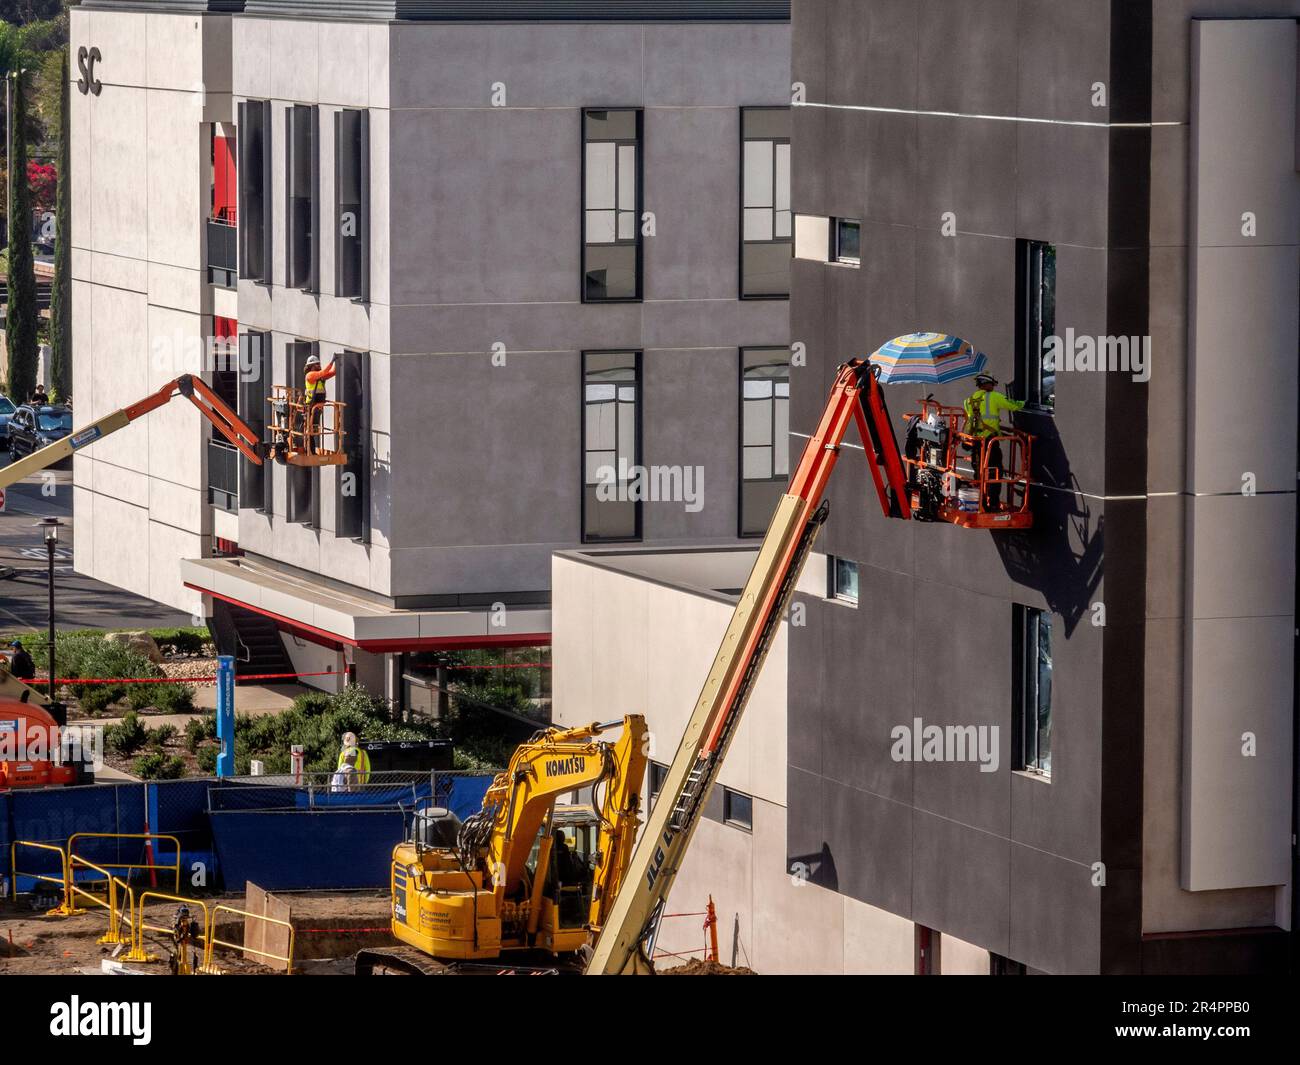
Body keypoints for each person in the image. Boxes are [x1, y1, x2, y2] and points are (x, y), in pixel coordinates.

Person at [962, 373, 1024, 509]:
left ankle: (981, 503)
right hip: (990, 442)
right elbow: (1014, 406)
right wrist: (1028, 402)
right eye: (992, 384)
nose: (993, 387)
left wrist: (966, 439)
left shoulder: (968, 400)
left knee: (979, 472)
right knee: (995, 472)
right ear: (986, 384)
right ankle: (994, 504)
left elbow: (968, 422)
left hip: (976, 443)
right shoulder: (994, 397)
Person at [303, 354, 336, 454]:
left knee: (313, 429)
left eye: (319, 364)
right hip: (311, 406)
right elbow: (324, 372)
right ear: (311, 366)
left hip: (317, 407)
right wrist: (332, 361)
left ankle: (310, 450)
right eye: (316, 364)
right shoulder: (310, 375)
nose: (319, 366)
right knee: (310, 430)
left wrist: (338, 362)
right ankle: (310, 451)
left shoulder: (320, 377)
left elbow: (332, 372)